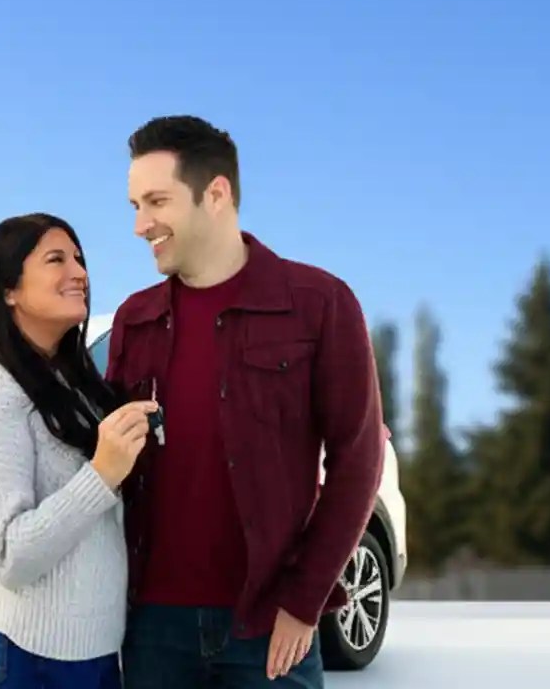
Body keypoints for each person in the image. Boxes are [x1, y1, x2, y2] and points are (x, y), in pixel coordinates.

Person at [104, 116, 385, 688]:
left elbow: (358, 461)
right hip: (152, 630)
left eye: (156, 201)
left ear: (216, 194)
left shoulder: (319, 305)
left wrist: (305, 601)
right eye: (134, 204)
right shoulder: (136, 319)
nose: (140, 225)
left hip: (267, 629)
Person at [0, 212, 159, 688]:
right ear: (8, 290)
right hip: (35, 659)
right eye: (56, 260)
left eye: (79, 259)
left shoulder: (74, 385)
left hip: (99, 654)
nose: (79, 272)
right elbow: (7, 558)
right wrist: (102, 474)